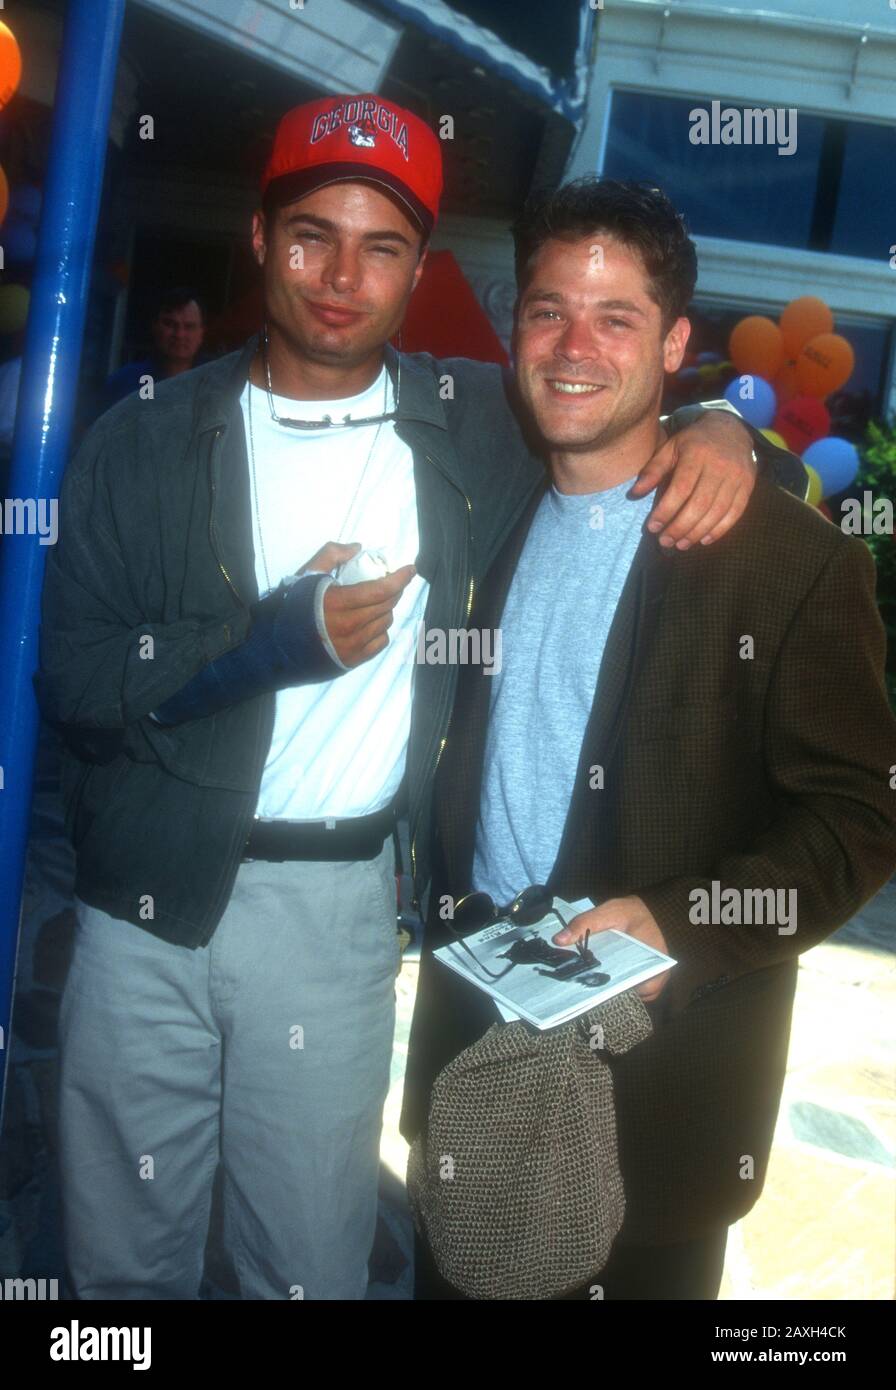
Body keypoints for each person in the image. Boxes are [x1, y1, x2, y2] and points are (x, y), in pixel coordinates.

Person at [37, 97, 801, 1302]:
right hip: (138, 908)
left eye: (381, 246)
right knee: (120, 1266)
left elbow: (598, 394)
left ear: (418, 267)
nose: (342, 277)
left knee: (307, 1262)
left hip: (333, 913)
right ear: (257, 237)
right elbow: (75, 682)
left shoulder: (469, 426)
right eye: (310, 236)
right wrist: (263, 643)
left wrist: (722, 429)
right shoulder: (142, 439)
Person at [401, 177, 896, 1301]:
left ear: (675, 341)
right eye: (544, 310)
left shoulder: (787, 561)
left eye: (615, 316)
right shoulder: (490, 494)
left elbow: (859, 816)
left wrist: (680, 923)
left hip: (656, 1093)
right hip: (473, 1045)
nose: (572, 346)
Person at [100, 286, 207, 411]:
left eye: (189, 326)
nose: (179, 334)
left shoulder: (214, 388)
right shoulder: (122, 384)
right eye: (170, 324)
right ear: (154, 327)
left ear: (201, 334)